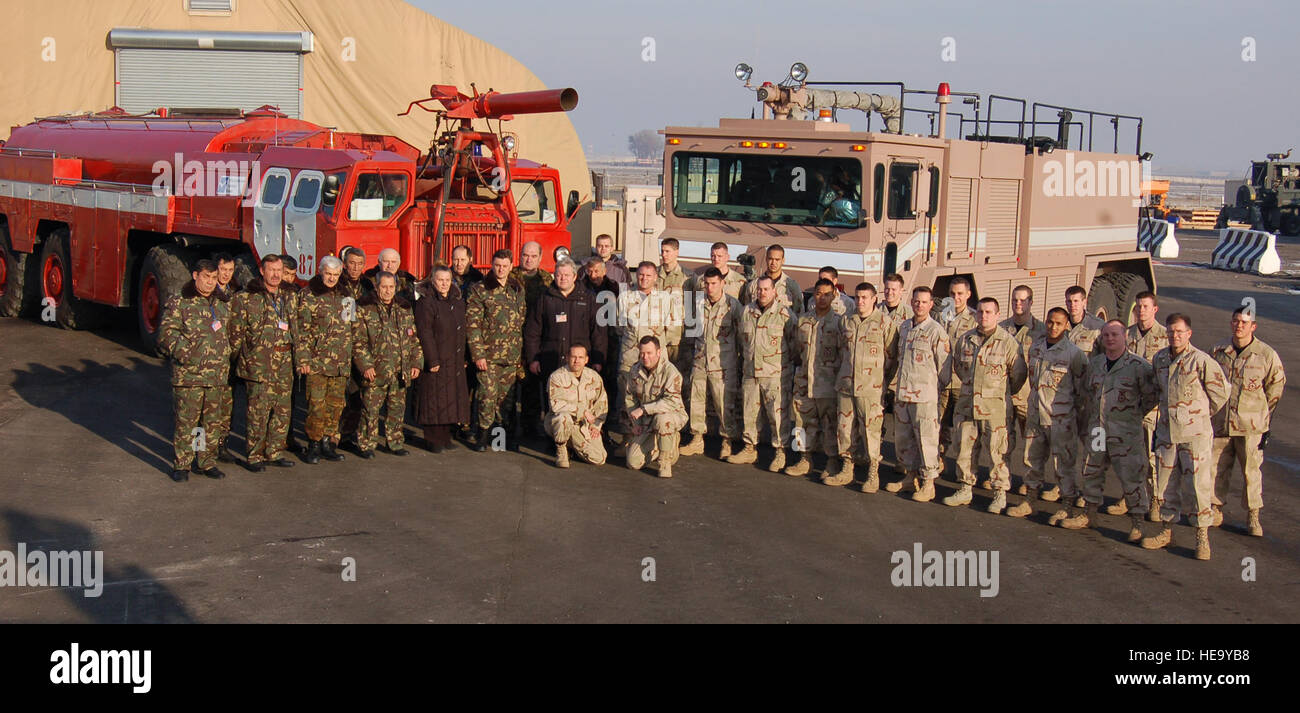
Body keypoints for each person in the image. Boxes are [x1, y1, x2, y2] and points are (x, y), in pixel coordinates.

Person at [1141, 313, 1229, 560]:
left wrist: (1199, 415)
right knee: (1166, 485)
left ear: (1189, 333)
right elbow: (1155, 390)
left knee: (1198, 488)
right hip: (1168, 433)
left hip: (1195, 435)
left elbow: (1221, 393)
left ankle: (1202, 537)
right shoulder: (1160, 359)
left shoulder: (1201, 361)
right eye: (1171, 332)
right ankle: (1166, 531)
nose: (1174, 336)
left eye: (1179, 332)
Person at [944, 297, 1027, 513]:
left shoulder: (1008, 343)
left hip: (995, 410)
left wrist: (997, 394)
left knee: (997, 452)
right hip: (967, 405)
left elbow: (1018, 376)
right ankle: (965, 488)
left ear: (998, 315)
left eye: (989, 312)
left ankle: (999, 494)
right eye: (980, 312)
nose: (984, 316)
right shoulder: (965, 339)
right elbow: (960, 368)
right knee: (964, 449)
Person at [1077, 319, 1158, 539]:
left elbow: (1151, 396)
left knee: (1132, 477)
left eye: (1115, 335)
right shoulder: (1095, 363)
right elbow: (1087, 391)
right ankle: (1089, 513)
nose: (1110, 339)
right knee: (1091, 471)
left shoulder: (1139, 367)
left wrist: (1133, 415)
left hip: (1126, 432)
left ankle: (1138, 523)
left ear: (1125, 337)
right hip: (1098, 429)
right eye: (1106, 336)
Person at [1006, 307, 1089, 520]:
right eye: (1050, 322)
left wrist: (1069, 412)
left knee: (1063, 464)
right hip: (1035, 414)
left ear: (1066, 325)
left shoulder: (1074, 354)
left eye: (1059, 323)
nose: (1053, 327)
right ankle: (1030, 500)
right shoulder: (1036, 348)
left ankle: (1067, 505)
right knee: (1031, 460)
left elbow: (1082, 389)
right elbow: (1031, 379)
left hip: (1061, 419)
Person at [1210, 307, 1284, 537]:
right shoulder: (1218, 350)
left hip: (1250, 425)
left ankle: (1253, 515)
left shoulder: (1265, 354)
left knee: (1251, 472)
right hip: (1221, 423)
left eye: (1244, 322)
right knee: (1216, 469)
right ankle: (1215, 508)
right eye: (1235, 321)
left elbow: (1275, 387)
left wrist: (1261, 414)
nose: (1239, 325)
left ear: (1253, 326)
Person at [158, 258, 233, 482]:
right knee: (187, 422)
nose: (210, 282)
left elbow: (228, 333)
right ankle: (182, 464)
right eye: (206, 277)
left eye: (213, 278)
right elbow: (166, 334)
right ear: (195, 276)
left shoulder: (221, 303)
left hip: (216, 376)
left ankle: (205, 461)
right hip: (189, 375)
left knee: (210, 423)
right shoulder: (181, 301)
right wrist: (186, 354)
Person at [230, 254, 297, 472]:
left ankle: (274, 452)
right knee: (258, 412)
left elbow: (297, 329)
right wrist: (238, 362)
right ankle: (254, 455)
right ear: (262, 271)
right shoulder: (246, 298)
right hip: (258, 364)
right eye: (272, 270)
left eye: (279, 270)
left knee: (282, 411)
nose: (276, 274)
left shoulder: (289, 296)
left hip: (284, 363)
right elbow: (236, 334)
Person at [828, 282, 897, 490]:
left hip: (872, 389)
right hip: (847, 386)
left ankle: (872, 473)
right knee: (845, 429)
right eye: (858, 297)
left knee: (871, 432)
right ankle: (847, 468)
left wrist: (884, 383)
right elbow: (841, 351)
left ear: (875, 298)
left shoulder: (885, 323)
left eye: (865, 297)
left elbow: (892, 357)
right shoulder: (846, 321)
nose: (860, 301)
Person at [886, 287, 951, 501]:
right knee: (905, 440)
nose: (919, 305)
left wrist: (934, 390)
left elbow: (945, 369)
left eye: (924, 302)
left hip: (925, 397)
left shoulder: (936, 332)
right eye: (916, 301)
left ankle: (928, 484)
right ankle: (909, 477)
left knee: (927, 441)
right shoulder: (905, 327)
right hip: (904, 394)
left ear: (931, 304)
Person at [729, 276, 798, 470]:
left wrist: (782, 367)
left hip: (775, 374)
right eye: (759, 289)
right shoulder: (746, 312)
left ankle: (780, 452)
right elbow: (741, 341)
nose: (762, 292)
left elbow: (794, 345)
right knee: (749, 413)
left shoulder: (785, 315)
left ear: (774, 291)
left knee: (777, 416)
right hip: (751, 373)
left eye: (767, 289)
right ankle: (750, 448)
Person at [351, 271, 423, 458]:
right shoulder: (365, 308)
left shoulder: (404, 308)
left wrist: (416, 362)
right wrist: (365, 365)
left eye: (391, 287)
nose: (388, 291)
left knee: (397, 409)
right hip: (376, 369)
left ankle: (395, 441)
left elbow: (413, 337)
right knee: (370, 410)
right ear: (376, 287)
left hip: (400, 369)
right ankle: (366, 444)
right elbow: (358, 341)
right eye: (384, 287)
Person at [679, 267, 744, 460]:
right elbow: (690, 332)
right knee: (696, 402)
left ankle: (727, 441)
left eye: (714, 283)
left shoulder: (733, 306)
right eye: (706, 284)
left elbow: (741, 336)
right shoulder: (697, 304)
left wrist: (739, 363)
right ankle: (697, 438)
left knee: (724, 404)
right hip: (700, 361)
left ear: (722, 283)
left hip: (723, 364)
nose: (710, 287)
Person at [466, 249, 526, 451]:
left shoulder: (516, 288)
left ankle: (500, 438)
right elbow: (473, 325)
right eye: (497, 265)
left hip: (511, 355)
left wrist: (520, 355)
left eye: (504, 266)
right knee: (487, 397)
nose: (500, 269)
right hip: (488, 356)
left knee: (506, 400)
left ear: (511, 266)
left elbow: (521, 321)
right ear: (492, 265)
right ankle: (482, 435)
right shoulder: (480, 289)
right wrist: (478, 354)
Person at [295, 256, 353, 464]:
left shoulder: (347, 295)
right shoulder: (308, 294)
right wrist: (303, 359)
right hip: (317, 362)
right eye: (328, 274)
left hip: (340, 363)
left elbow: (350, 328)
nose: (332, 278)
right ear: (320, 272)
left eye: (336, 275)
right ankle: (314, 444)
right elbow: (301, 330)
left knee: (336, 405)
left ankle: (328, 442)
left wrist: (350, 359)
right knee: (316, 406)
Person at [525, 258, 607, 404]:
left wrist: (598, 360)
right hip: (551, 360)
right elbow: (533, 331)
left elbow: (598, 332)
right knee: (553, 404)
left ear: (575, 276)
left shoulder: (589, 299)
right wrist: (533, 359)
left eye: (566, 275)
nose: (562, 278)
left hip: (580, 363)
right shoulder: (544, 298)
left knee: (581, 401)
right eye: (558, 275)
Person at [787, 279, 844, 478]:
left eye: (827, 294)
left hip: (827, 383)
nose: (822, 298)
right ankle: (804, 459)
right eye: (818, 294)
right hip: (804, 382)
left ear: (834, 295)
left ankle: (832, 461)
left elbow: (843, 354)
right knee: (801, 423)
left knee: (830, 424)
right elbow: (795, 350)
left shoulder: (839, 323)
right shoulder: (803, 320)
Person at [414, 266, 470, 453]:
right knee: (433, 399)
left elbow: (463, 330)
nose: (444, 284)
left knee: (450, 399)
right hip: (437, 357)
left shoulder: (457, 301)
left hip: (454, 357)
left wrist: (464, 356)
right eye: (440, 280)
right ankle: (432, 439)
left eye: (447, 280)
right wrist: (432, 359)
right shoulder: (426, 303)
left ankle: (445, 437)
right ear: (433, 281)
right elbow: (425, 332)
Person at [998, 284, 1045, 491]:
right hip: (1005, 395)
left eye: (1023, 300)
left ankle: (1030, 481)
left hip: (1028, 396)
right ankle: (1002, 477)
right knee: (1003, 440)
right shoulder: (1001, 329)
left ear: (1031, 302)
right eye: (1015, 300)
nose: (1018, 304)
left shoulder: (1042, 331)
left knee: (1031, 443)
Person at [624, 336, 688, 478]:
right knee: (633, 462)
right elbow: (630, 398)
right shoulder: (635, 370)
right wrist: (635, 423)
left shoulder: (671, 372)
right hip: (646, 421)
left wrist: (644, 409)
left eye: (649, 353)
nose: (645, 357)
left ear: (659, 352)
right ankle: (660, 444)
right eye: (642, 353)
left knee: (662, 419)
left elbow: (671, 402)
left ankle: (664, 461)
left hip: (670, 416)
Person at [512, 240, 555, 437]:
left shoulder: (547, 280)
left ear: (539, 258)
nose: (528, 259)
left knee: (536, 384)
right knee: (513, 385)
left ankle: (534, 426)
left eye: (533, 256)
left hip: (538, 340)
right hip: (511, 340)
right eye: (525, 255)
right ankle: (508, 427)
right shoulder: (510, 276)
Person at [546, 344, 609, 468]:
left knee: (599, 458)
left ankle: (572, 446)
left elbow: (601, 403)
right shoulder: (557, 377)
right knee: (563, 418)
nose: (576, 360)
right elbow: (556, 405)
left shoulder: (594, 377)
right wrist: (583, 411)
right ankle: (561, 450)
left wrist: (596, 425)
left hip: (584, 425)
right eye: (573, 357)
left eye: (580, 357)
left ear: (586, 360)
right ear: (567, 357)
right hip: (560, 422)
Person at [337, 246, 372, 450]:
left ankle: (348, 435)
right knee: (337, 397)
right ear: (345, 264)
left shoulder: (367, 285)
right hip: (341, 348)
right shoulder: (337, 285)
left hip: (362, 348)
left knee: (357, 396)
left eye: (359, 264)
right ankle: (331, 436)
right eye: (352, 263)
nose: (355, 267)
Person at [938, 277, 977, 452]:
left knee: (965, 430)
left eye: (960, 294)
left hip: (963, 383)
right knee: (938, 427)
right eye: (952, 294)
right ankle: (937, 463)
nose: (956, 298)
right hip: (943, 380)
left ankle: (967, 473)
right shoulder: (941, 317)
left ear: (968, 294)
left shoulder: (976, 319)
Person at [211, 252, 240, 464]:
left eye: (230, 270)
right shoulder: (206, 294)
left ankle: (221, 445)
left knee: (226, 407)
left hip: (228, 360)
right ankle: (200, 449)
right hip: (209, 363)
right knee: (203, 412)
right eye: (223, 270)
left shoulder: (235, 293)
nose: (226, 275)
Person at [657, 238, 691, 397]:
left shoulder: (687, 278)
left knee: (679, 378)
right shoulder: (654, 275)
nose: (664, 255)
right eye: (662, 251)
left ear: (676, 252)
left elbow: (692, 309)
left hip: (677, 338)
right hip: (657, 336)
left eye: (667, 251)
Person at [740, 245, 803, 314]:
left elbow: (799, 315)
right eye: (770, 259)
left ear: (783, 260)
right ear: (766, 259)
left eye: (777, 259)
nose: (773, 263)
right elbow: (746, 314)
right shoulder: (753, 286)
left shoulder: (792, 287)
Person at [1064, 285, 1104, 356]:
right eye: (1069, 301)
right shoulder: (1060, 324)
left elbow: (1105, 356)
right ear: (1066, 303)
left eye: (1076, 301)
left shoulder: (1097, 326)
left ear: (1084, 302)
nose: (1072, 305)